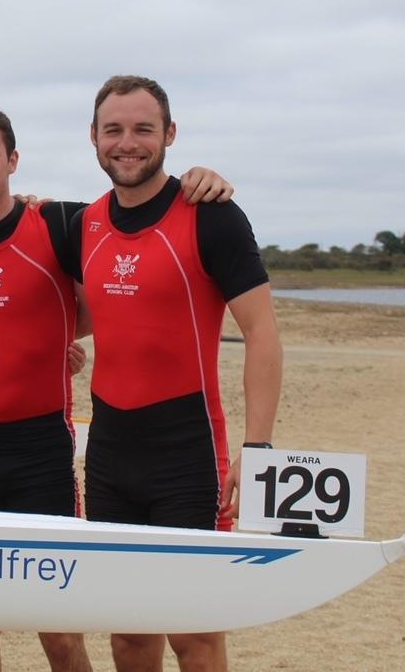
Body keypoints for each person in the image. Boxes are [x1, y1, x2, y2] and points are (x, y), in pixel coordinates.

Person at [0, 105, 232, 672]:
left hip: (42, 452)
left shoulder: (60, 223)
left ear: (12, 159)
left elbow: (126, 257)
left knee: (59, 627)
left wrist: (199, 182)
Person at [72, 75, 282, 672]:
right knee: (129, 635)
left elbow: (263, 334)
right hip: (111, 452)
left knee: (194, 633)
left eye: (143, 128)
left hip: (187, 452)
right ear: (93, 137)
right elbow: (83, 310)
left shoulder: (212, 216)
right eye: (113, 129)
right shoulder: (83, 222)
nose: (127, 142)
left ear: (169, 134)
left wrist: (258, 447)